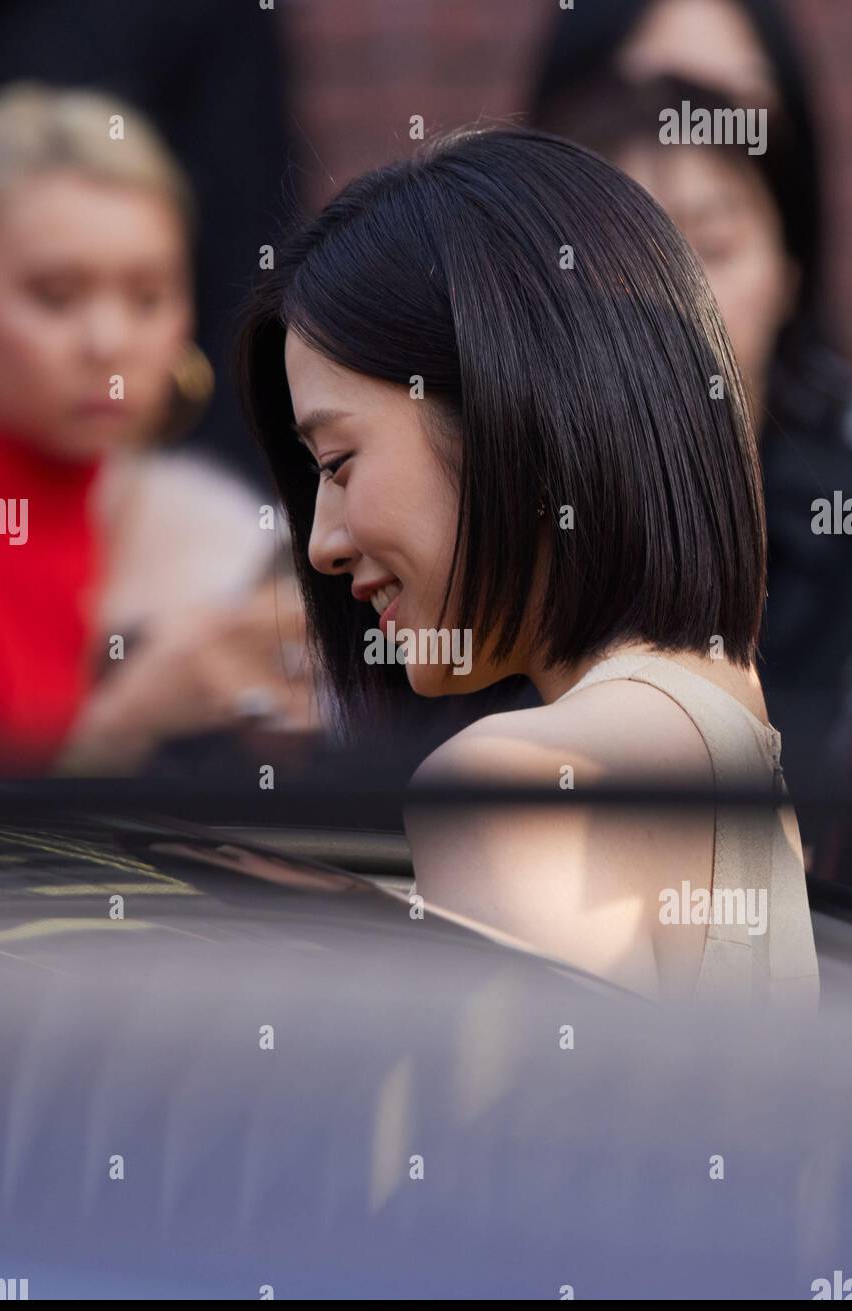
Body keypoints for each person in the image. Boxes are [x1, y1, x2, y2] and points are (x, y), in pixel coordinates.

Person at [237, 125, 820, 1006]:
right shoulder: (730, 744)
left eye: (337, 463)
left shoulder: (517, 784)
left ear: (506, 411)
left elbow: (531, 1146)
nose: (322, 543)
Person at [528, 0, 852, 851]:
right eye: (626, 258)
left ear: (788, 265)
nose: (675, 300)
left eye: (711, 244)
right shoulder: (486, 521)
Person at [0, 83, 315, 775]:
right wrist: (130, 720)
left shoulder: (225, 531)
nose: (108, 341)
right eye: (54, 295)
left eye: (147, 296)